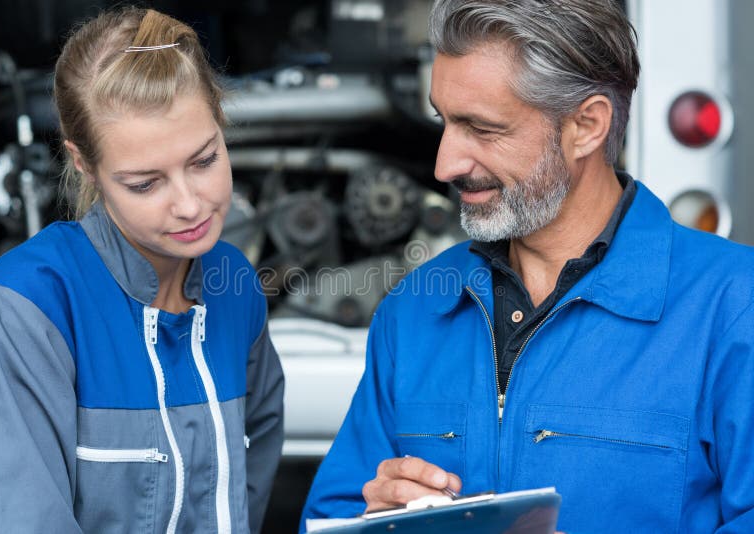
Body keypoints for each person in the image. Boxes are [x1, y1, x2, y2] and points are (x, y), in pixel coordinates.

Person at [301, 0, 754, 532]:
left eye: (483, 129)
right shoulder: (416, 306)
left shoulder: (734, 307)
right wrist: (373, 521)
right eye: (444, 121)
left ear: (586, 126)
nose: (445, 164)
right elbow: (331, 515)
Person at [0, 7, 284, 534]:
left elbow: (245, 495)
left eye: (203, 160)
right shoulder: (18, 314)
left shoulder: (234, 285)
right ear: (83, 163)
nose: (190, 204)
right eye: (145, 183)